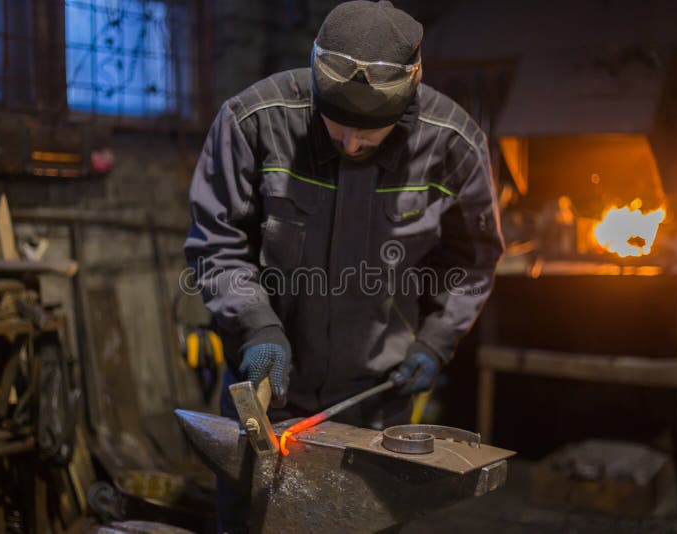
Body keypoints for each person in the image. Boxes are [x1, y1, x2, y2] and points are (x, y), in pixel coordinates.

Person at [184, 1, 504, 530]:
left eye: (369, 134)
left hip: (377, 408)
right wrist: (256, 325)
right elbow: (217, 244)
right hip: (269, 395)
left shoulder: (452, 143)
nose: (351, 145)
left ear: (406, 102)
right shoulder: (254, 122)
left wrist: (436, 340)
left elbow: (473, 261)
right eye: (336, 130)